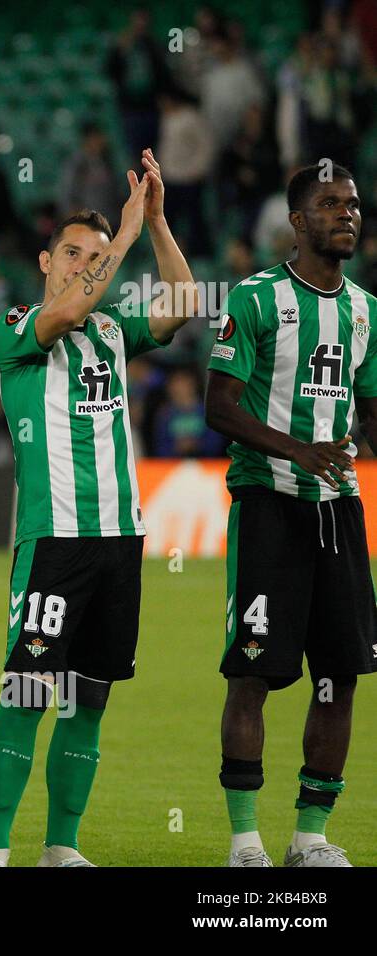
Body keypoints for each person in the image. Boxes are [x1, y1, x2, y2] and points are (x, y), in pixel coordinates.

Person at [0, 148, 195, 866]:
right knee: (27, 695)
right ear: (45, 261)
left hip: (119, 541)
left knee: (90, 698)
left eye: (92, 256)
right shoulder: (17, 329)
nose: (80, 265)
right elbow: (68, 307)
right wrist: (123, 237)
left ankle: (61, 848)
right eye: (71, 253)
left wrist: (157, 224)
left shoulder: (110, 333)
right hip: (55, 540)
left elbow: (182, 304)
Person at [205, 163, 377, 867]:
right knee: (254, 673)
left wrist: (333, 452)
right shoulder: (253, 300)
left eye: (354, 204)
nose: (348, 214)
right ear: (297, 221)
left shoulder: (366, 309)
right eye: (330, 205)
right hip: (268, 503)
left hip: (340, 509)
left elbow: (369, 412)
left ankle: (311, 837)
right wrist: (294, 450)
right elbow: (219, 405)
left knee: (340, 674)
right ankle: (245, 842)